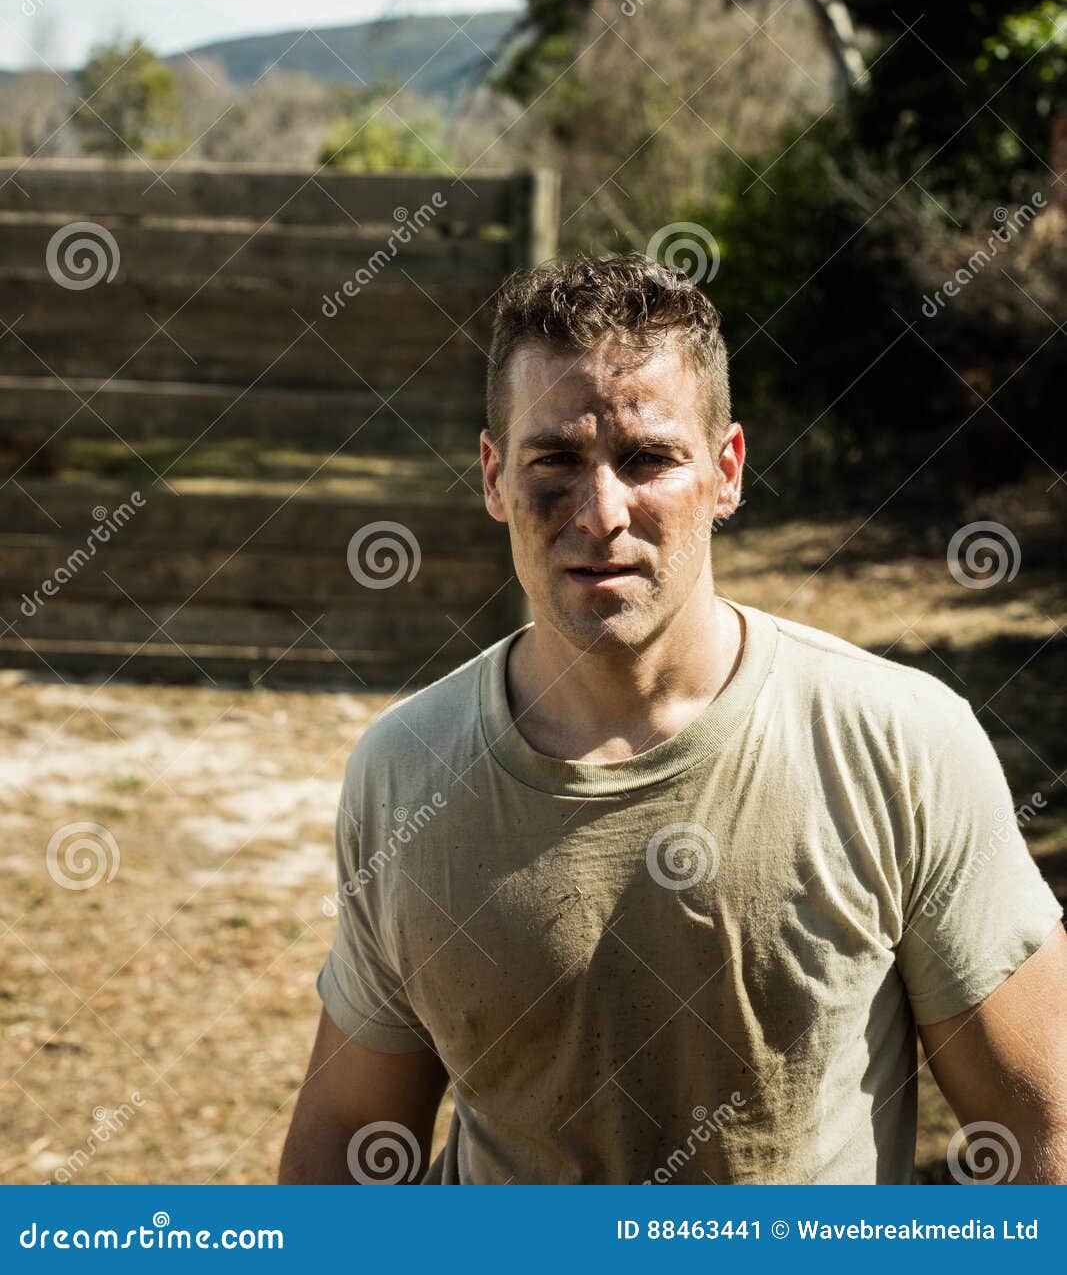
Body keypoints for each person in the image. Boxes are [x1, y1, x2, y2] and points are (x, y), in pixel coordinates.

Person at [279, 253, 1067, 1185]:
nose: (601, 512)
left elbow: (1042, 1128)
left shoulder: (898, 743)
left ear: (725, 473)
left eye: (648, 459)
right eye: (555, 461)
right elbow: (351, 1132)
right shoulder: (406, 768)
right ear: (494, 477)